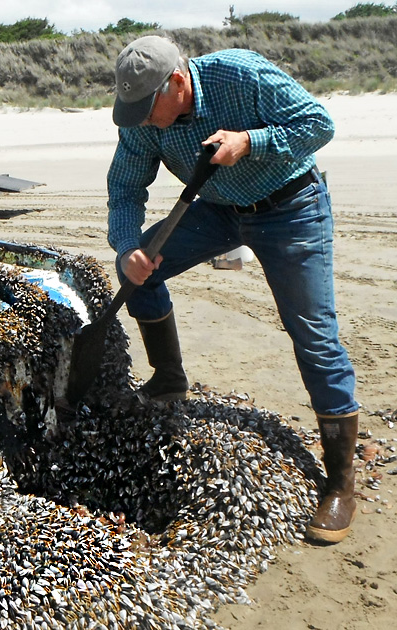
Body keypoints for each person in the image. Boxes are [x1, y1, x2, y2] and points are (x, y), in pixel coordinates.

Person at [107, 35, 361, 543]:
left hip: (291, 207)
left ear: (176, 82)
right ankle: (168, 376)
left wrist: (250, 142)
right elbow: (126, 187)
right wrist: (127, 245)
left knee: (312, 332)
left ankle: (339, 481)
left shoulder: (241, 75)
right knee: (139, 270)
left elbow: (319, 125)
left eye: (146, 108)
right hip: (217, 212)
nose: (141, 120)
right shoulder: (143, 124)